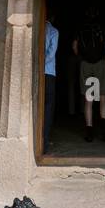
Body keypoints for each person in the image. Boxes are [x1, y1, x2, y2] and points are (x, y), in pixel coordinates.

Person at [73, 6, 105, 143]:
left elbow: (74, 46)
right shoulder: (103, 26)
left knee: (89, 99)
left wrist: (81, 59)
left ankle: (89, 131)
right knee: (103, 96)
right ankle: (104, 130)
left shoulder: (80, 26)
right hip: (100, 64)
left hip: (86, 64)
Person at [42, 13, 59, 154]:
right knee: (48, 107)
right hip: (48, 73)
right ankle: (44, 142)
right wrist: (42, 65)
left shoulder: (38, 28)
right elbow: (51, 54)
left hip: (36, 73)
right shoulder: (53, 31)